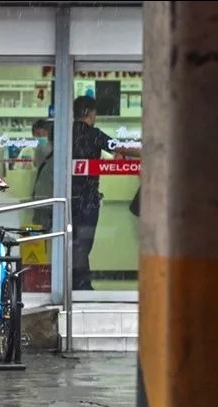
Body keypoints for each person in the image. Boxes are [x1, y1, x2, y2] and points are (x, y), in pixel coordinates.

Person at [71, 96, 132, 291]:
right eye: (94, 112)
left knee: (72, 242)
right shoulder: (94, 134)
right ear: (89, 112)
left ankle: (77, 282)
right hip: (88, 198)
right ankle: (80, 284)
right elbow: (118, 147)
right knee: (83, 242)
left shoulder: (65, 133)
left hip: (68, 195)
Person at [30, 118, 54, 231]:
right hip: (52, 195)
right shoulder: (47, 144)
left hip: (42, 195)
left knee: (40, 231)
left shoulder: (42, 145)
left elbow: (36, 162)